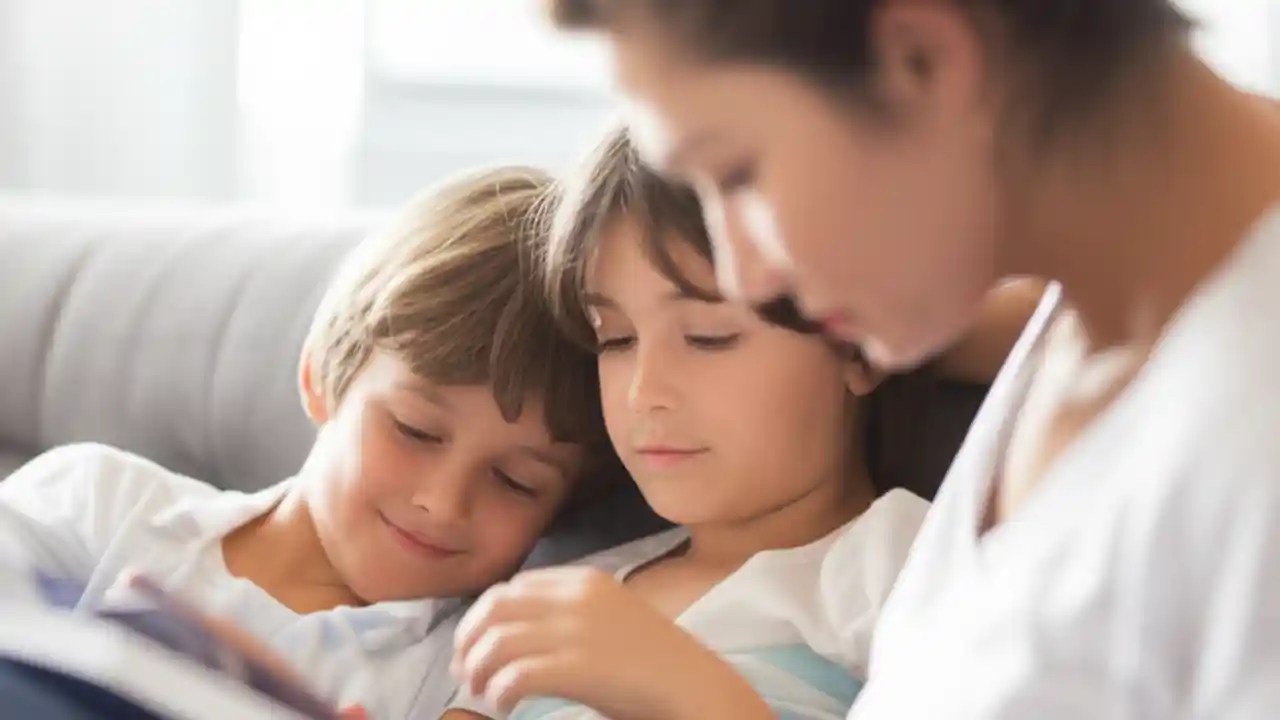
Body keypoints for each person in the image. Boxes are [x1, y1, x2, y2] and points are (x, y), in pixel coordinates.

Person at [544, 1, 1280, 717]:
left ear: (921, 61)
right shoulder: (1101, 299)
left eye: (739, 174)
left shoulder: (1247, 438)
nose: (749, 277)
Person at [445, 127, 1037, 720]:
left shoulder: (903, 567)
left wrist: (674, 681)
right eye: (616, 339)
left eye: (709, 337)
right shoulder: (566, 587)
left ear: (859, 347)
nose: (643, 392)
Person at [0, 166, 613, 718]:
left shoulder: (473, 673)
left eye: (516, 482)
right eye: (415, 430)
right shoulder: (97, 501)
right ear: (321, 377)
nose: (443, 503)